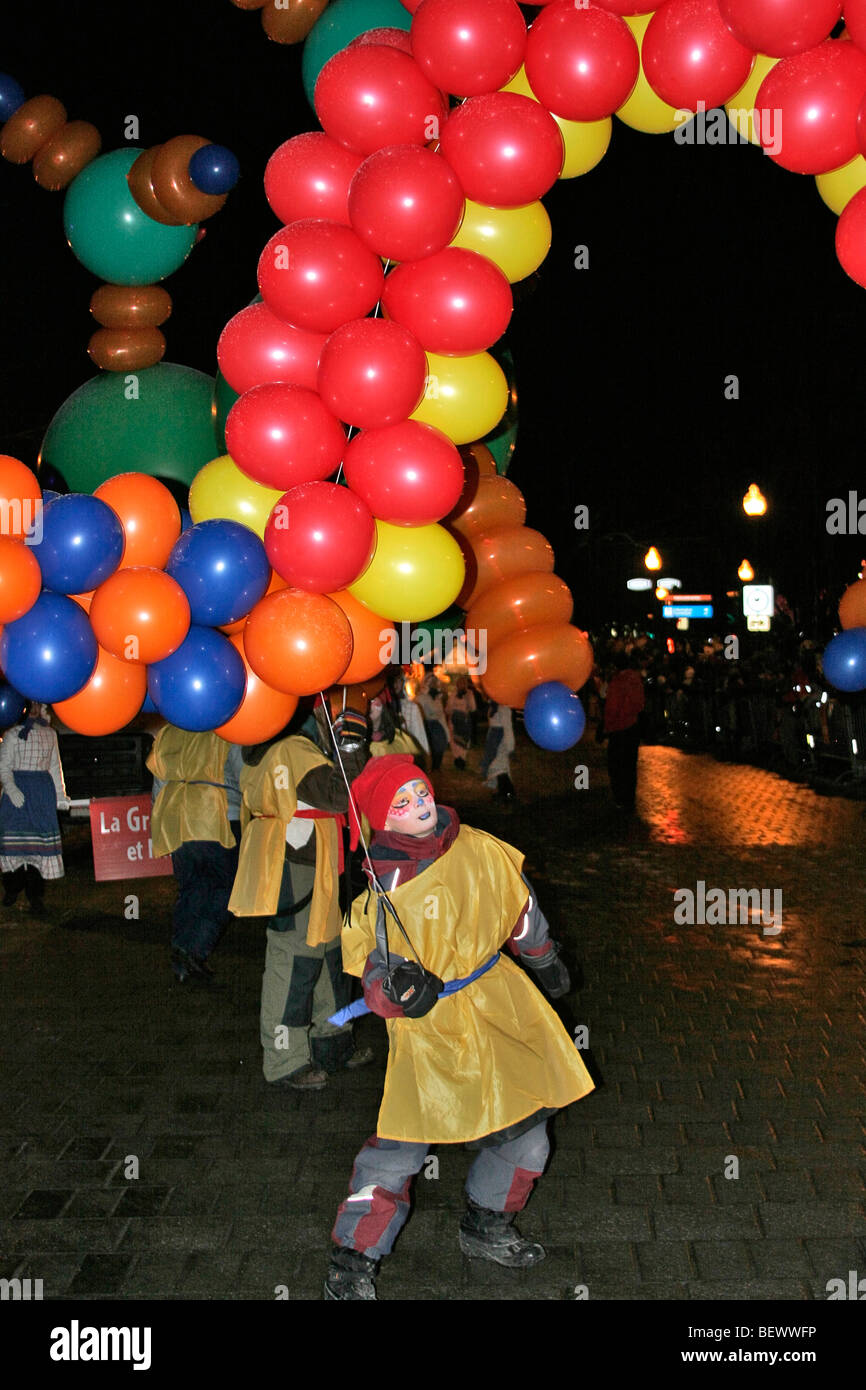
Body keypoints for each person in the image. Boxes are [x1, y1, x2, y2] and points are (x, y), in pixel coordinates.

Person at [324, 754, 595, 1300]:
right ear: (384, 820)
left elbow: (519, 904)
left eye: (421, 793)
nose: (420, 806)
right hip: (429, 1028)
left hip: (498, 1005)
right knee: (397, 1152)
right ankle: (353, 1260)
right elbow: (369, 961)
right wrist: (392, 990)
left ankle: (487, 1223)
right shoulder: (381, 888)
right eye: (402, 803)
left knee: (526, 1129)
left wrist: (543, 956)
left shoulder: (477, 846)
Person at [228, 699, 373, 1091]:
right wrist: (352, 747)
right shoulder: (294, 748)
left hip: (302, 860)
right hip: (298, 865)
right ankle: (284, 1059)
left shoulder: (267, 746)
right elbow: (340, 796)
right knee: (294, 963)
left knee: (324, 954)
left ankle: (331, 1043)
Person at [148, 725, 244, 983]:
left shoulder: (167, 732)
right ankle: (194, 950)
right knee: (228, 889)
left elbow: (158, 783)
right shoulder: (228, 729)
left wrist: (159, 818)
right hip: (218, 816)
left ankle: (181, 952)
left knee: (191, 888)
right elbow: (245, 776)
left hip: (176, 818)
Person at [0, 702, 68, 913]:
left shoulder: (50, 734)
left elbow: (55, 767)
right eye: (30, 705)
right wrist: (11, 788)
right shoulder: (13, 734)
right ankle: (12, 887)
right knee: (14, 844)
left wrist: (60, 795)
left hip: (41, 794)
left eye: (37, 704)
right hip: (17, 794)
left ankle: (35, 895)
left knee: (38, 846)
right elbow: (3, 765)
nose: (34, 708)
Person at [602, 650, 645, 811]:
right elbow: (640, 703)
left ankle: (620, 798)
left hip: (619, 728)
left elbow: (612, 707)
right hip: (633, 726)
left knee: (616, 766)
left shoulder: (617, 682)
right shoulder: (636, 679)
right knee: (630, 765)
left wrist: (607, 726)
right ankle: (629, 798)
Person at [480, 700, 516, 799]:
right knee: (497, 766)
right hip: (493, 739)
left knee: (498, 766)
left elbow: (508, 727)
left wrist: (510, 746)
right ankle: (501, 791)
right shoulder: (493, 706)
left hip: (501, 740)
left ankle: (508, 792)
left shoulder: (503, 708)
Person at [414, 674, 450, 771]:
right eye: (432, 682)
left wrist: (446, 732)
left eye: (435, 682)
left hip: (438, 727)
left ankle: (436, 767)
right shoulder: (421, 698)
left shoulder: (437, 698)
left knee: (439, 747)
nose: (434, 685)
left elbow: (441, 714)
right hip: (427, 726)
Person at [446, 675, 476, 770]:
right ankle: (457, 759)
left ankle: (462, 759)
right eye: (460, 683)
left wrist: (467, 698)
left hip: (464, 721)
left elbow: (473, 708)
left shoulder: (469, 694)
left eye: (463, 683)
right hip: (454, 722)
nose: (461, 685)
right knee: (454, 741)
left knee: (464, 741)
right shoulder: (453, 695)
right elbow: (448, 709)